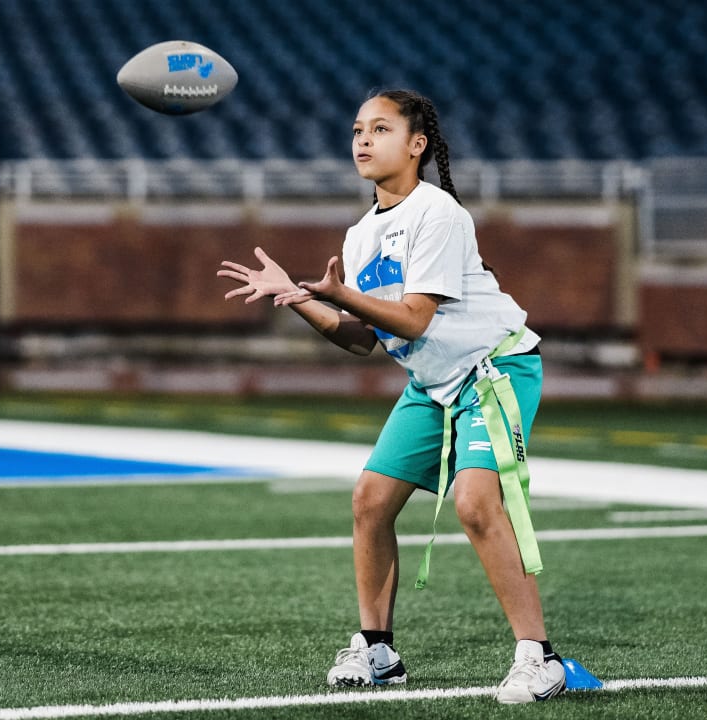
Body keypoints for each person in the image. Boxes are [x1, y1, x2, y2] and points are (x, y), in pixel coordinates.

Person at [217, 89, 564, 704]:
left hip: (494, 369)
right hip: (433, 383)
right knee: (370, 500)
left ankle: (540, 658)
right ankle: (378, 651)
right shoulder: (358, 237)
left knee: (476, 503)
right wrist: (301, 299)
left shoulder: (440, 213)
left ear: (416, 145)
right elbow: (361, 341)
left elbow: (414, 320)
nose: (362, 139)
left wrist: (337, 295)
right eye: (357, 129)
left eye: (379, 128)